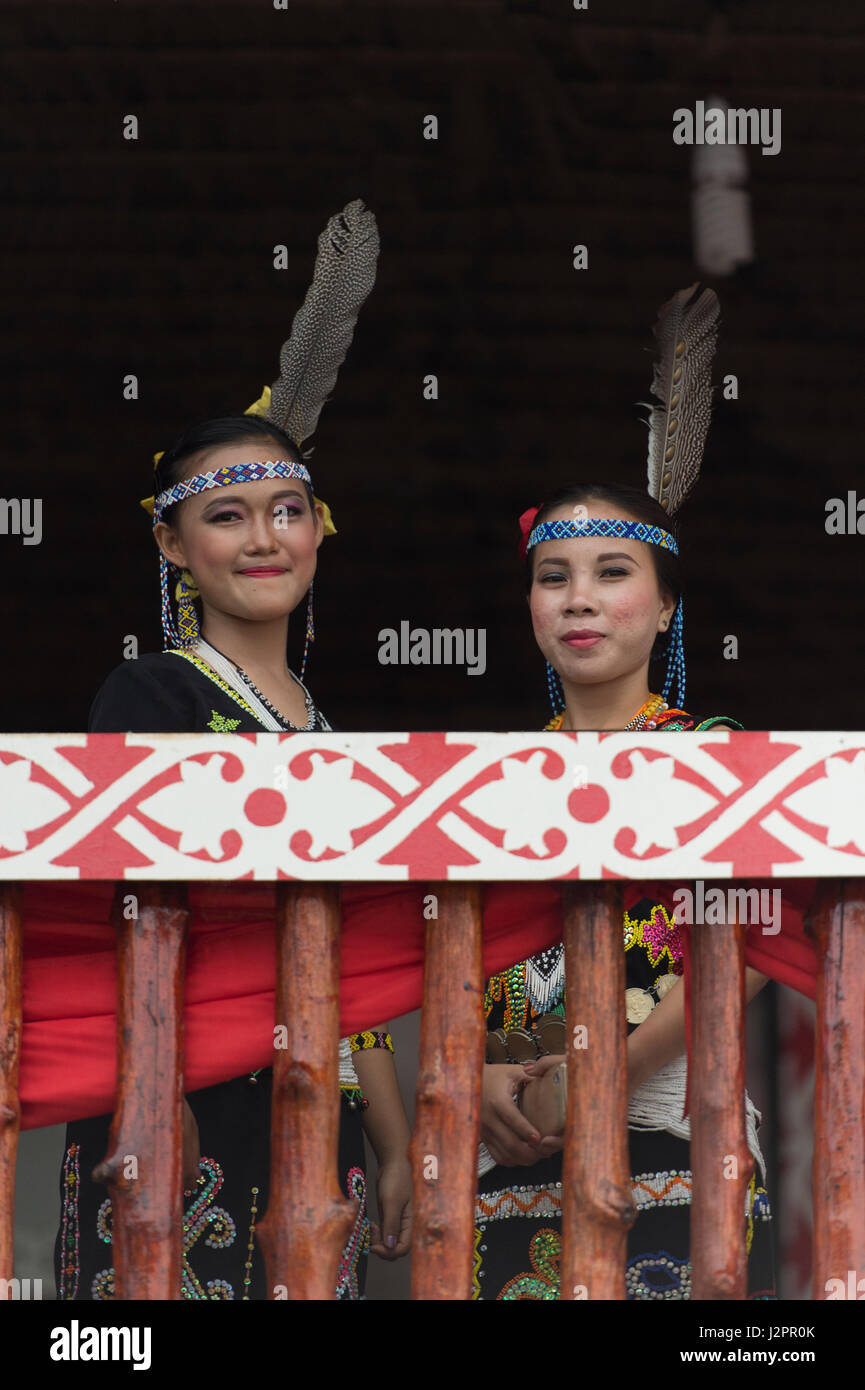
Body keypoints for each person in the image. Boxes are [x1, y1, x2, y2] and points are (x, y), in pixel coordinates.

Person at [55, 200, 413, 1301]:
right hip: (179, 1091)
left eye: (288, 509)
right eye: (228, 516)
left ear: (319, 530)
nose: (264, 538)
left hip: (324, 1102)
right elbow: (132, 910)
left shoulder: (323, 719)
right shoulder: (147, 691)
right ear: (171, 544)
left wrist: (397, 1138)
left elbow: (354, 964)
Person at [473, 287, 776, 1301]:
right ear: (529, 607)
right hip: (512, 1131)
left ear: (663, 609)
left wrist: (597, 1066)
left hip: (667, 1112)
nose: (580, 599)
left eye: (612, 573)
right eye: (553, 578)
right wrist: (478, 1075)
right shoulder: (493, 778)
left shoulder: (712, 750)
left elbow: (747, 945)